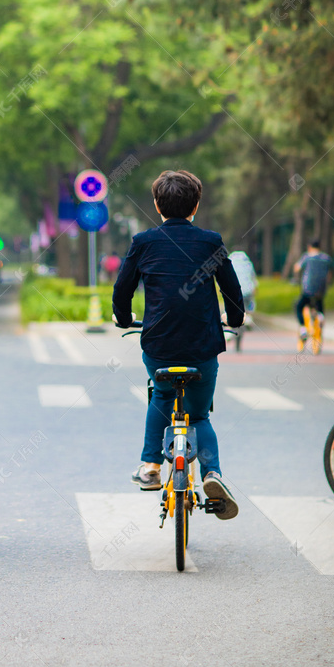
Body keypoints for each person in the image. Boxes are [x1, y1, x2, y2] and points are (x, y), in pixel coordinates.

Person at [112, 169, 245, 519]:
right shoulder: (210, 241)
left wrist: (124, 319)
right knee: (199, 414)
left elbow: (122, 289)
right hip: (203, 346)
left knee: (161, 395)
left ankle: (150, 467)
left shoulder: (144, 242)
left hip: (158, 344)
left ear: (156, 205)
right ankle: (212, 473)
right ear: (196, 206)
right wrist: (235, 320)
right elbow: (231, 289)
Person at [293, 239, 332, 351]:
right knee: (319, 303)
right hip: (321, 289)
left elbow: (297, 268)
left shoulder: (307, 257)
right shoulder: (326, 258)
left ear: (309, 247)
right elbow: (329, 274)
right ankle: (320, 316)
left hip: (308, 289)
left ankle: (303, 328)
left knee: (299, 306)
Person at [228, 250, 257, 319]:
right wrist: (254, 288)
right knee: (248, 306)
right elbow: (253, 277)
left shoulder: (230, 264)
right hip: (248, 291)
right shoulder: (248, 264)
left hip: (235, 292)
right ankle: (248, 318)